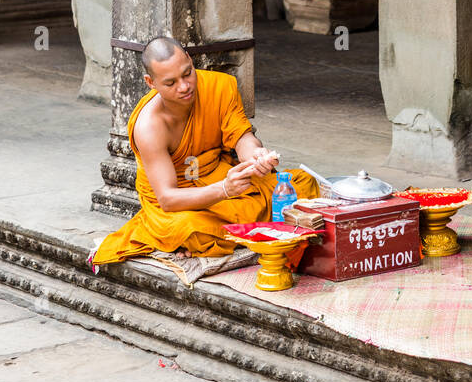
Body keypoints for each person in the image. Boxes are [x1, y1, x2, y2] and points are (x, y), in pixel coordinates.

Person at [91, 37, 319, 267]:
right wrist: (224, 190)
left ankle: (236, 234)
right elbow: (168, 199)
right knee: (188, 229)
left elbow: (241, 135)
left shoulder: (219, 86)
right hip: (182, 198)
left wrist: (255, 155)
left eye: (187, 73)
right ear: (151, 82)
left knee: (302, 185)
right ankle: (238, 234)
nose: (184, 86)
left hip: (218, 174)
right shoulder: (150, 126)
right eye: (170, 83)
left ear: (190, 59)